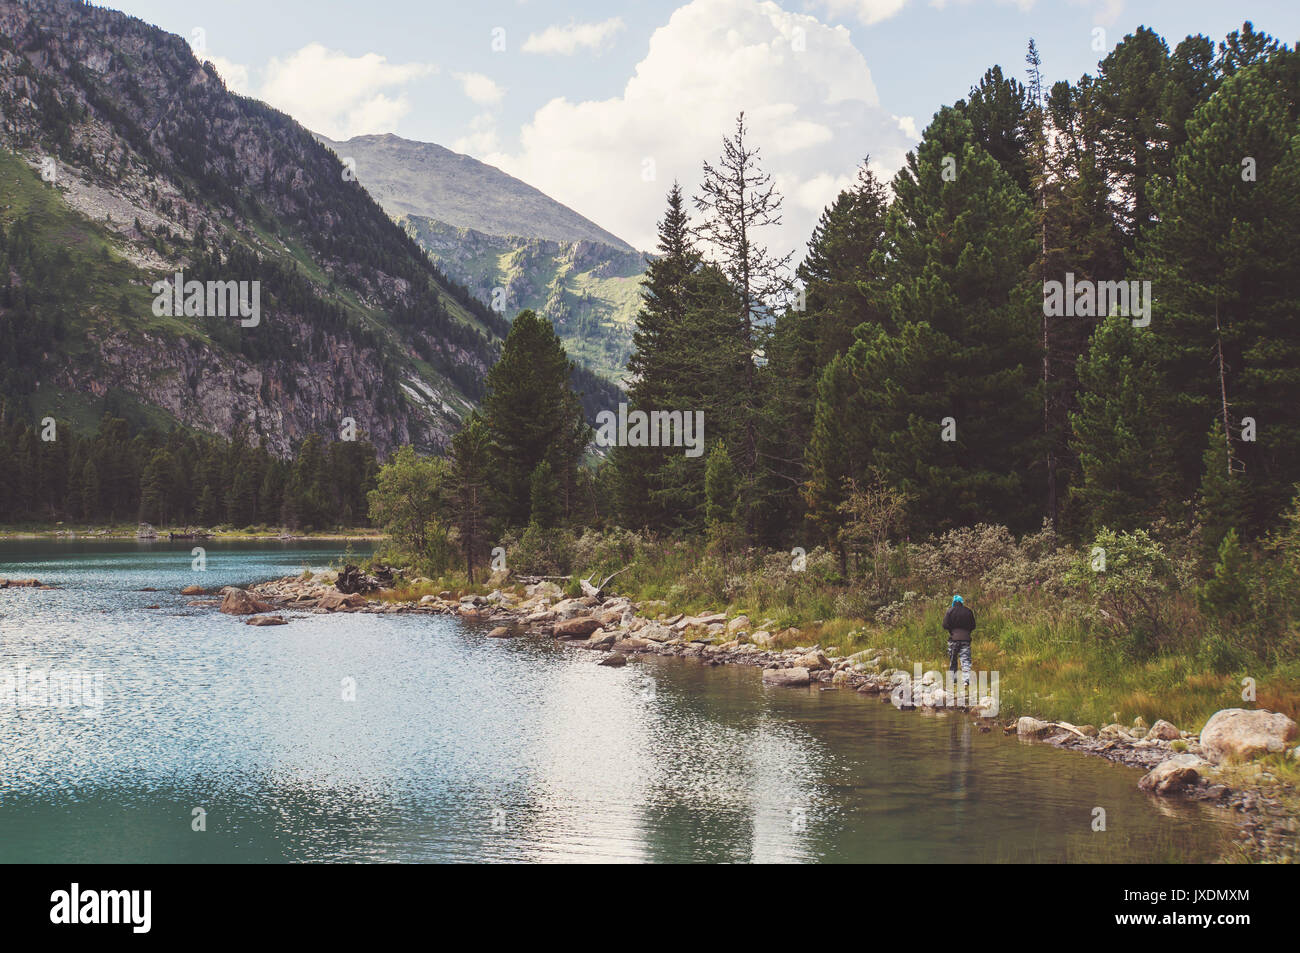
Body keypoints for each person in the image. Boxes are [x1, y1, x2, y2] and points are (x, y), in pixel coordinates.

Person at [942, 595, 975, 688]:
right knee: (965, 660)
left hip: (953, 639)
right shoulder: (968, 611)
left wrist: (952, 631)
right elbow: (973, 625)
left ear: (954, 602)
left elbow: (945, 625)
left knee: (953, 660)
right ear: (962, 602)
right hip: (966, 639)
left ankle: (953, 680)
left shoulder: (950, 611)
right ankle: (966, 680)